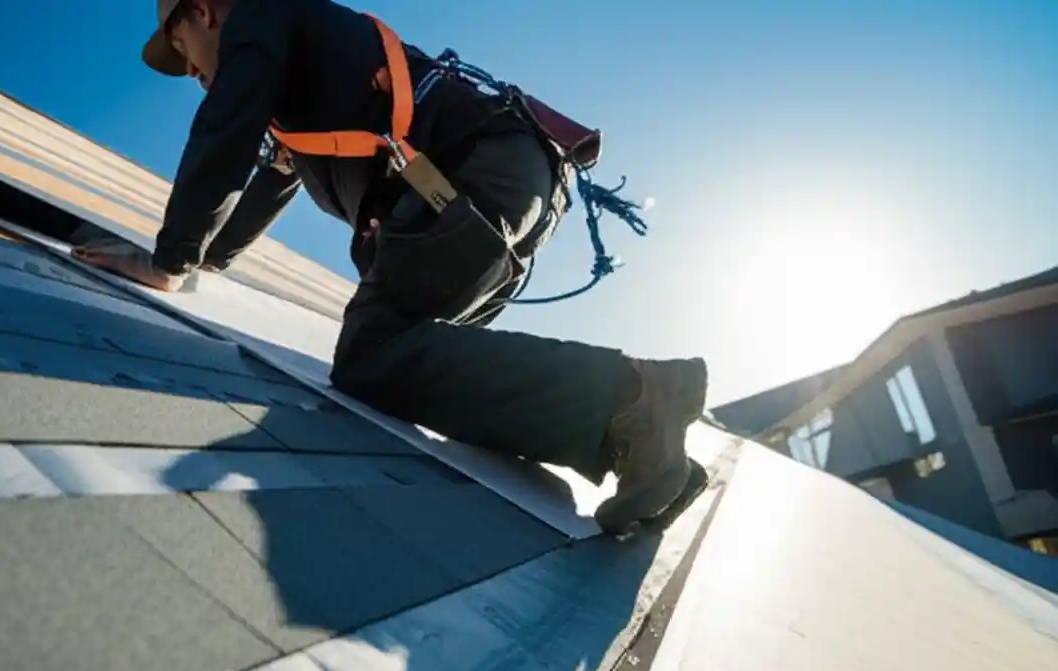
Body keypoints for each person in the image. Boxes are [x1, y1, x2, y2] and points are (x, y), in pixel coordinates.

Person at [74, 0, 709, 535]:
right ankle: (639, 452)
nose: (192, 72)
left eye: (183, 52)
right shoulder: (301, 84)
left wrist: (168, 259)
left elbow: (225, 128)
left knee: (374, 354)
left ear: (204, 13)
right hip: (495, 190)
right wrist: (201, 261)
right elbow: (268, 182)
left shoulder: (261, 18)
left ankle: (638, 400)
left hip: (473, 177)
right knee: (427, 364)